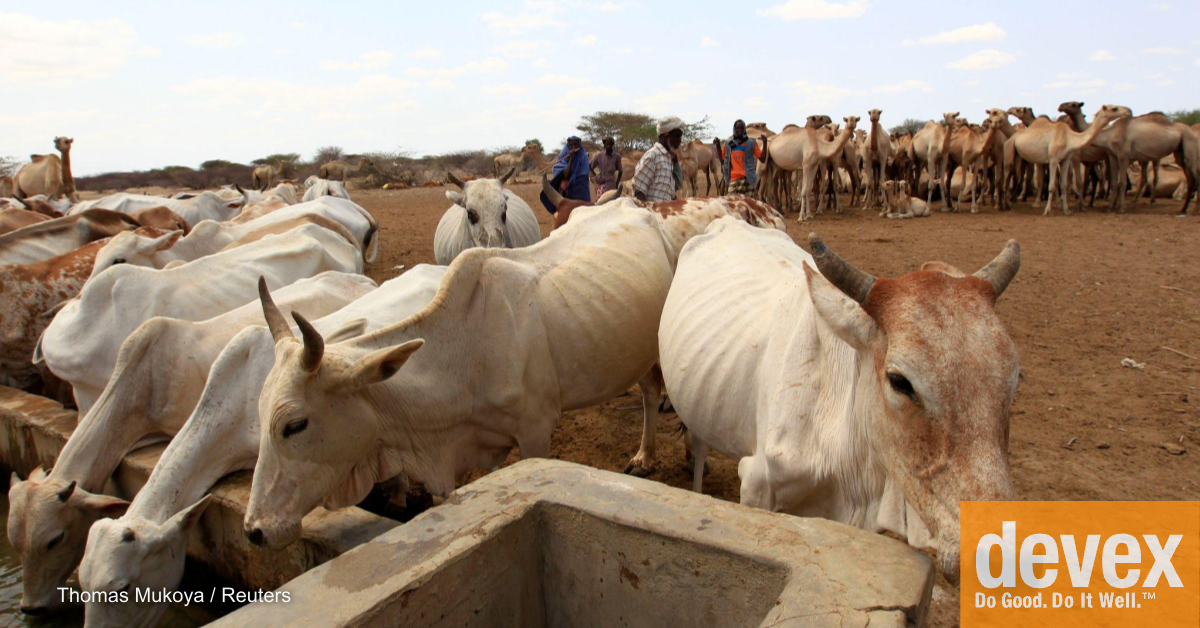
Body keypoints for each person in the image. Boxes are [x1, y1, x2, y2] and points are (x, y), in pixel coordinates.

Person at [633, 116, 684, 202]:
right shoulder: (653, 156)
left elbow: (673, 189)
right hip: (654, 213)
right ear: (666, 136)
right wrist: (648, 212)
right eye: (677, 136)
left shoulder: (668, 158)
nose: (680, 141)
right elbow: (638, 191)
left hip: (666, 213)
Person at [540, 136, 590, 214]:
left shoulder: (583, 157)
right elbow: (565, 174)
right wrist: (571, 160)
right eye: (571, 145)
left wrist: (572, 179)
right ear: (568, 146)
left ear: (579, 145)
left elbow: (584, 175)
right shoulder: (564, 156)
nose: (573, 147)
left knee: (584, 213)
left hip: (580, 192)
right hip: (566, 193)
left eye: (575, 145)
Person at [714, 119, 766, 195]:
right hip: (734, 180)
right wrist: (718, 146)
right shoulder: (729, 144)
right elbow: (723, 161)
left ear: (744, 129)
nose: (740, 130)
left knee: (749, 205)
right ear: (734, 129)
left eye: (742, 128)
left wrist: (765, 143)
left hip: (749, 180)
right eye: (738, 128)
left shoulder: (751, 143)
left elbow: (763, 159)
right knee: (732, 204)